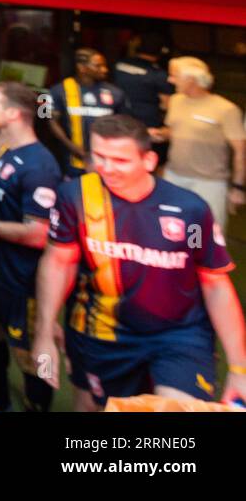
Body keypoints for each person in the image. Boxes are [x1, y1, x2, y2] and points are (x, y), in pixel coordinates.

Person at [34, 115, 246, 409]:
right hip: (101, 331)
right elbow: (58, 262)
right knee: (92, 408)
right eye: (99, 157)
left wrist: (240, 369)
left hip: (180, 335)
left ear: (148, 160)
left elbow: (215, 284)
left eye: (120, 160)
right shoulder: (75, 196)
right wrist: (44, 333)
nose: (106, 169)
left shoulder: (190, 212)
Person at [0, 81, 62, 413]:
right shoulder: (4, 150)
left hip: (22, 282)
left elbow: (37, 233)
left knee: (32, 354)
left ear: (12, 114)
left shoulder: (40, 165)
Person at [153, 57, 245, 227]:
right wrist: (159, 134)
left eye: (174, 75)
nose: (169, 80)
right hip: (175, 177)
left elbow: (240, 151)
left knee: (207, 233)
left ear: (191, 79)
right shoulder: (176, 100)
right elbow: (173, 130)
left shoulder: (226, 109)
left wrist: (238, 188)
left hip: (209, 183)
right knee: (175, 229)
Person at [45, 48, 128, 178]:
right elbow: (48, 120)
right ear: (82, 67)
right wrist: (76, 150)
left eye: (104, 65)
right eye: (98, 66)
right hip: (71, 164)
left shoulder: (116, 93)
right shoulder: (56, 90)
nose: (104, 70)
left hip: (107, 164)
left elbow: (123, 124)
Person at [111, 33, 171, 151]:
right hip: (147, 127)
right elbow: (166, 105)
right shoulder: (159, 75)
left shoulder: (119, 64)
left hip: (119, 121)